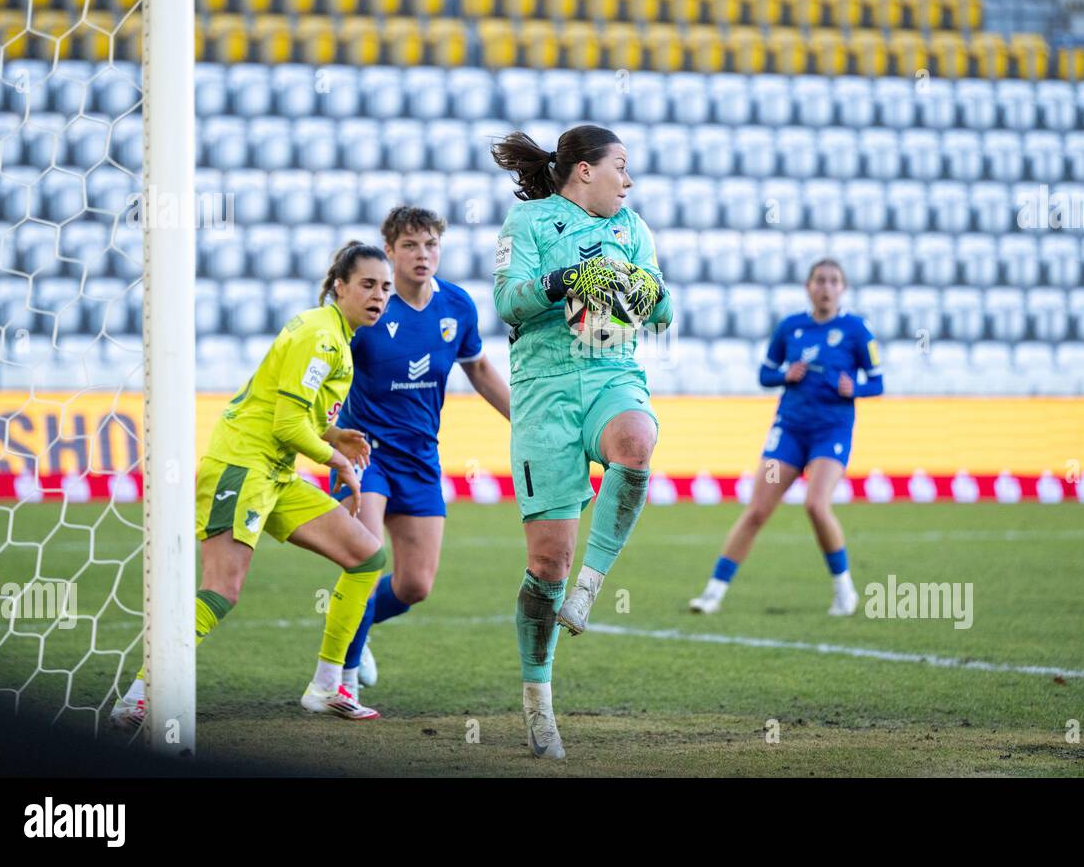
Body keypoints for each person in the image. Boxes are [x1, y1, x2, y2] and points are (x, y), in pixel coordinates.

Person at [109, 241, 392, 729]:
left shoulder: (334, 335)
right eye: (368, 284)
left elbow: (289, 412)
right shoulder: (321, 338)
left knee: (367, 555)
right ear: (340, 286)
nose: (379, 296)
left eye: (385, 288)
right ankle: (141, 695)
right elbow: (285, 425)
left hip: (275, 474)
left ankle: (328, 685)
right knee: (221, 590)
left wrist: (333, 434)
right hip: (240, 467)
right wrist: (338, 463)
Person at [490, 125, 673, 759]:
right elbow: (509, 303)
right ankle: (538, 703)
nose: (630, 179)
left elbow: (664, 309)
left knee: (637, 440)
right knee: (546, 565)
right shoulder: (530, 222)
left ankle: (590, 589)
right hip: (543, 391)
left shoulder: (633, 230)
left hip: (609, 371)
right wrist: (566, 281)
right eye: (621, 166)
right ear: (585, 171)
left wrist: (647, 294)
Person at [322, 206, 510, 705]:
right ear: (389, 251)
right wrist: (331, 437)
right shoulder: (368, 308)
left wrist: (523, 420)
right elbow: (327, 377)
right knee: (365, 556)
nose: (421, 254)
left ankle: (356, 635)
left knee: (415, 585)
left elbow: (480, 370)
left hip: (421, 457)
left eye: (430, 245)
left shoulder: (456, 307)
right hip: (366, 453)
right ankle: (338, 678)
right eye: (409, 245)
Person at [689, 259, 884, 618]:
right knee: (757, 510)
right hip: (789, 432)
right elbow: (765, 373)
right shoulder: (791, 328)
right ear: (808, 286)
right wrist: (785, 375)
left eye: (833, 281)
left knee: (815, 504)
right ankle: (713, 593)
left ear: (843, 289)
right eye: (819, 280)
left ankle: (845, 591)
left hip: (830, 433)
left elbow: (877, 382)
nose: (826, 287)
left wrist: (853, 387)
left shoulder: (856, 330)